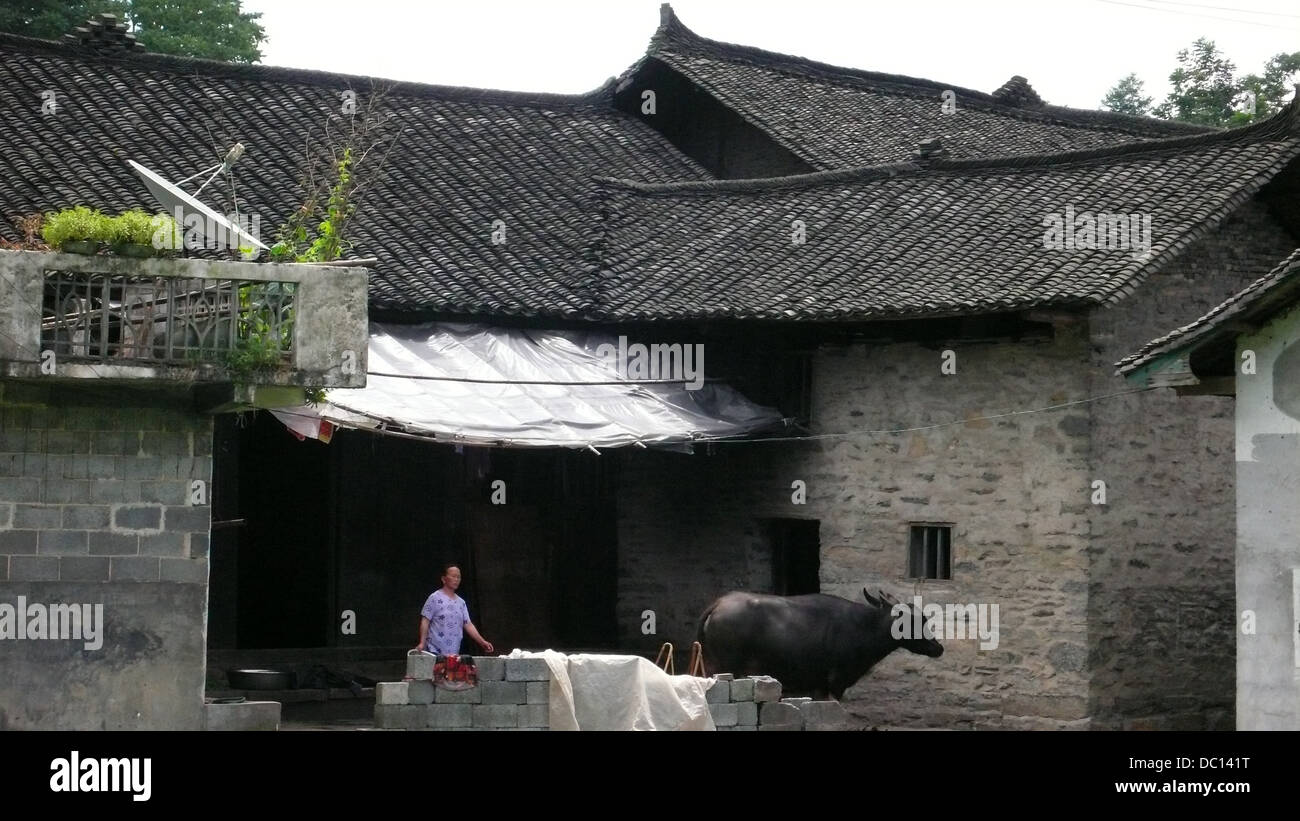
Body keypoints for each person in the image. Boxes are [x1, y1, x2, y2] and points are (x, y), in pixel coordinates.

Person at [414, 564, 494, 656]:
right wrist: (422, 642)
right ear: (444, 579)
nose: (456, 580)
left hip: (453, 652)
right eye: (453, 576)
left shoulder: (461, 603)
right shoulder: (434, 598)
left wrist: (482, 642)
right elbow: (425, 621)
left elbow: (468, 624)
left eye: (458, 577)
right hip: (434, 650)